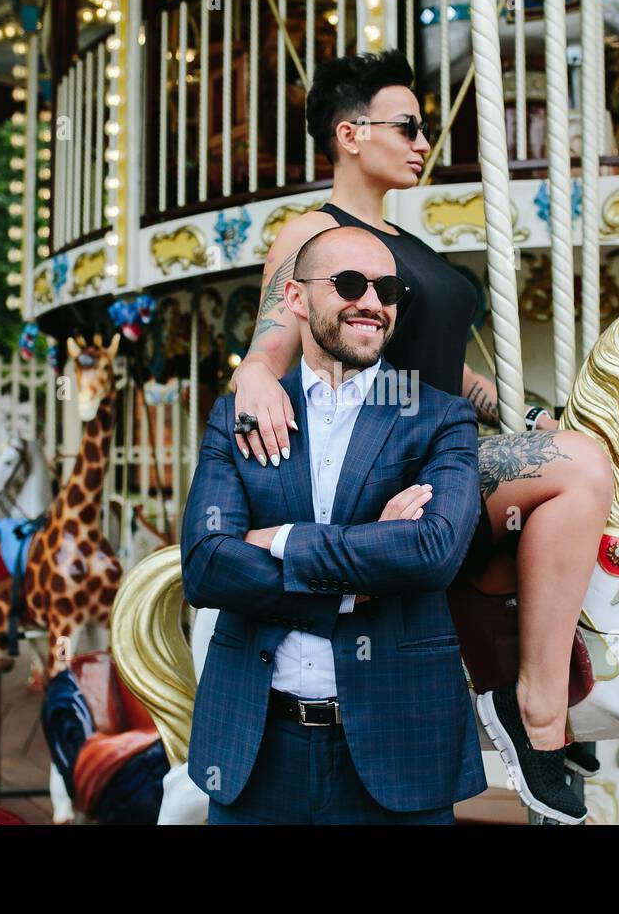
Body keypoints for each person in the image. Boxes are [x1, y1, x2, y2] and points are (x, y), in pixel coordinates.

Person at [228, 49, 612, 823]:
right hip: (392, 460)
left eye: (422, 128)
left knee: (582, 459)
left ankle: (535, 678)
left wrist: (524, 416)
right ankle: (536, 715)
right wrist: (255, 374)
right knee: (581, 468)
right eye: (406, 126)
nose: (423, 141)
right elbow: (274, 334)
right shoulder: (315, 230)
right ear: (349, 134)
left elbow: (446, 372)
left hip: (446, 444)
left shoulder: (403, 245)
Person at [181, 225, 486, 824]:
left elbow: (432, 552)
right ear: (296, 298)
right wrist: (358, 578)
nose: (372, 303)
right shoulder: (240, 416)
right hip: (255, 746)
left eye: (387, 290)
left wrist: (283, 542)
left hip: (399, 747)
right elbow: (206, 565)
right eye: (349, 284)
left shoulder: (440, 418)